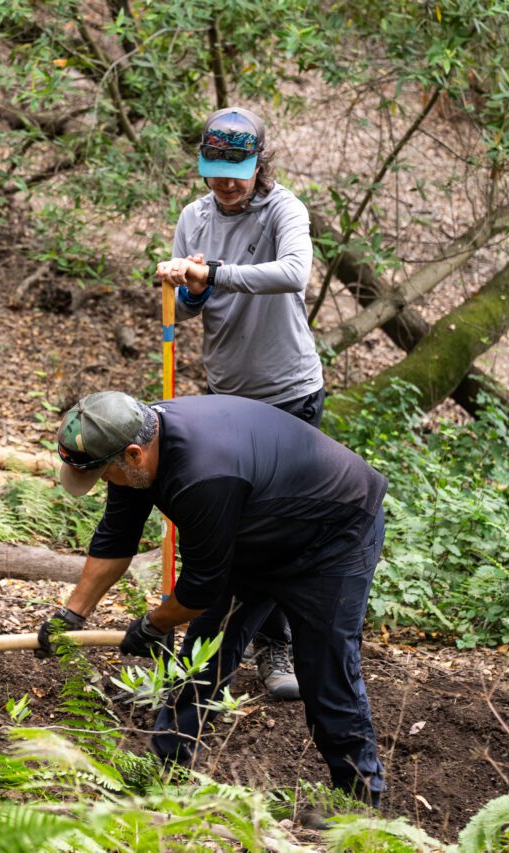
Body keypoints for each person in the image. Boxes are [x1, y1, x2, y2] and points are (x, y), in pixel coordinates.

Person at [39, 391, 386, 805]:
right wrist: (72, 616)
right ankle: (166, 769)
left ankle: (358, 803)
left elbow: (200, 587)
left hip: (332, 537)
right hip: (255, 536)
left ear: (132, 455)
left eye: (102, 474)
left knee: (326, 671)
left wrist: (153, 625)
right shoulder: (132, 451)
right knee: (206, 652)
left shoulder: (202, 474)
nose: (103, 484)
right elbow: (116, 539)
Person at [152, 107, 324, 701]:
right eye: (215, 170)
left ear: (259, 166)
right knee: (237, 529)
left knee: (279, 530)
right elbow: (199, 304)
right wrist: (190, 286)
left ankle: (276, 646)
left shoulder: (284, 210)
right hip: (228, 392)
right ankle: (245, 636)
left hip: (290, 391)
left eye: (238, 171)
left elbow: (293, 274)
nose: (226, 183)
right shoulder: (193, 217)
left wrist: (216, 271)